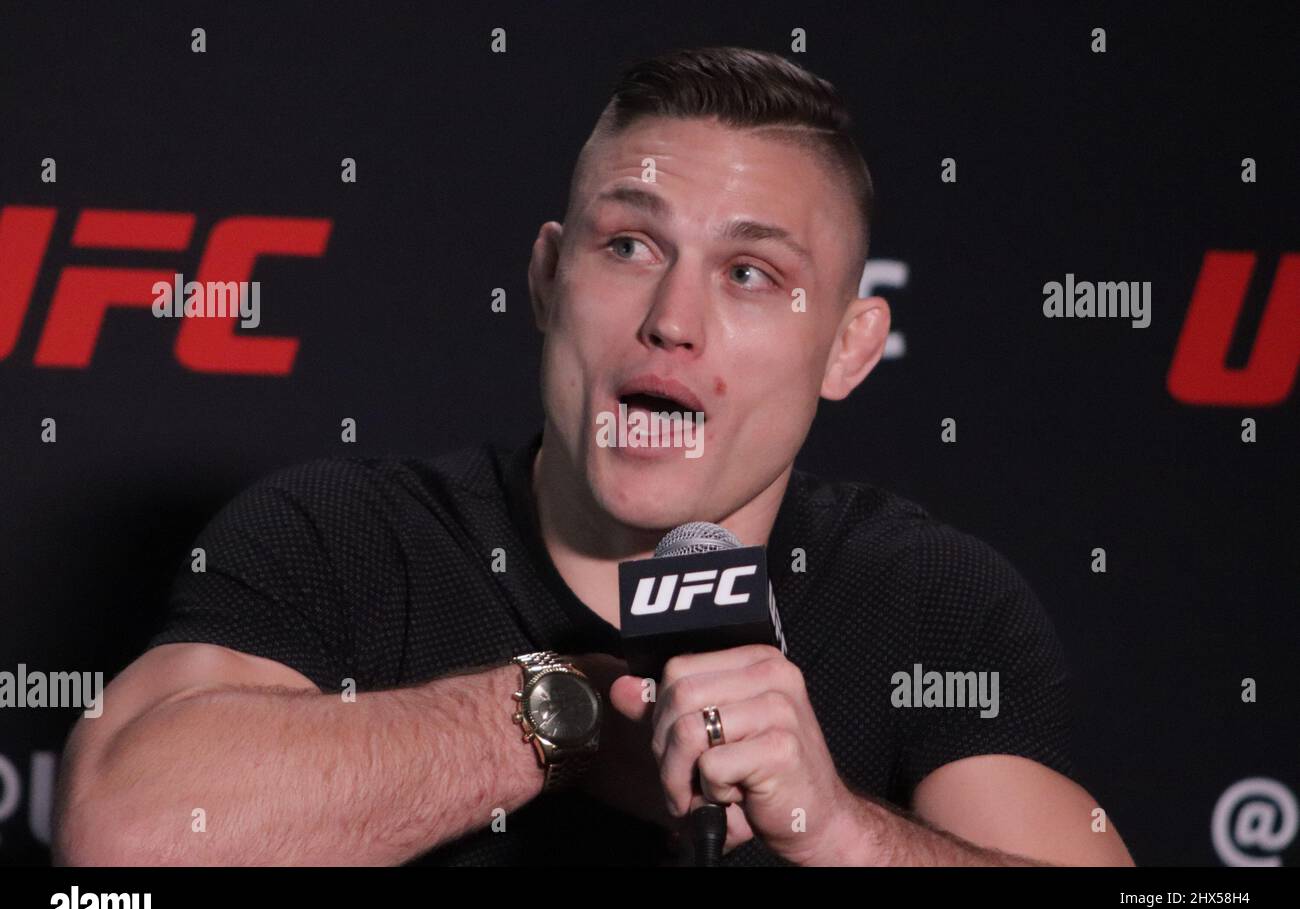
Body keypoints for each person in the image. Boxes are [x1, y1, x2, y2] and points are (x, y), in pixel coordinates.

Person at [53, 46, 1134, 866]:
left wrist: (840, 827)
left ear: (849, 346)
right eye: (630, 246)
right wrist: (555, 712)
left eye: (750, 272)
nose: (672, 319)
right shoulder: (349, 539)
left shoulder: (923, 598)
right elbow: (120, 837)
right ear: (547, 278)